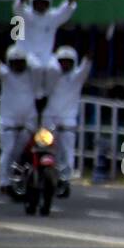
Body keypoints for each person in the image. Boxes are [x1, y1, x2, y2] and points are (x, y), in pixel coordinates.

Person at [0, 45, 40, 193]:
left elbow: (38, 67)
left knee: (20, 153)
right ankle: (3, 182)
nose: (18, 65)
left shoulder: (31, 76)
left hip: (27, 123)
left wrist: (28, 54)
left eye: (21, 62)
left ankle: (17, 179)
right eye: (15, 62)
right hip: (8, 123)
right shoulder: (5, 74)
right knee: (8, 151)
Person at [40, 46, 90, 189]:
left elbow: (85, 67)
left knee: (67, 153)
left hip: (67, 123)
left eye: (68, 62)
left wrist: (89, 57)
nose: (65, 65)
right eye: (62, 61)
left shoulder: (76, 78)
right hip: (48, 122)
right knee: (42, 150)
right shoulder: (50, 77)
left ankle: (64, 180)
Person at [12, 0, 77, 62]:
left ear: (48, 4)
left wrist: (69, 3)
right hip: (24, 58)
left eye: (43, 3)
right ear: (32, 3)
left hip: (44, 59)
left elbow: (65, 12)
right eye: (37, 3)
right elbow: (17, 8)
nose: (40, 6)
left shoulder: (52, 17)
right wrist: (21, 0)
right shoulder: (26, 14)